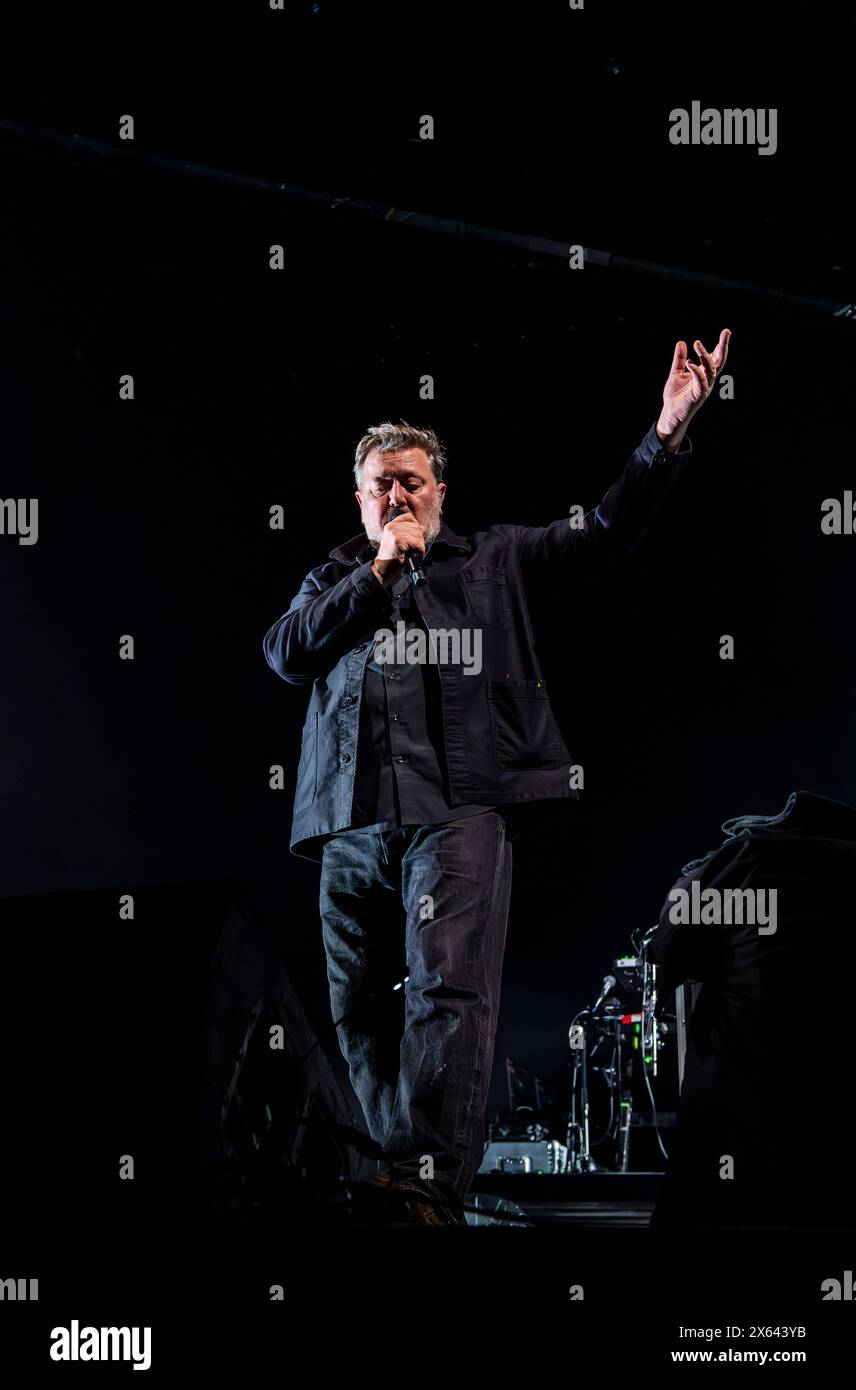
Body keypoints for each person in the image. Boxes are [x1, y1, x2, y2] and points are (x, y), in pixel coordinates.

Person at [263, 330, 731, 1223]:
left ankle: (433, 1184)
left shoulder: (494, 560)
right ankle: (385, 1175)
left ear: (440, 493)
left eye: (413, 481)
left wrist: (664, 434)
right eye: (381, 485)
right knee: (356, 1003)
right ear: (360, 503)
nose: (397, 494)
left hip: (458, 808)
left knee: (447, 987)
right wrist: (374, 576)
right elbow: (283, 654)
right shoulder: (332, 577)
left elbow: (600, 536)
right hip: (350, 820)